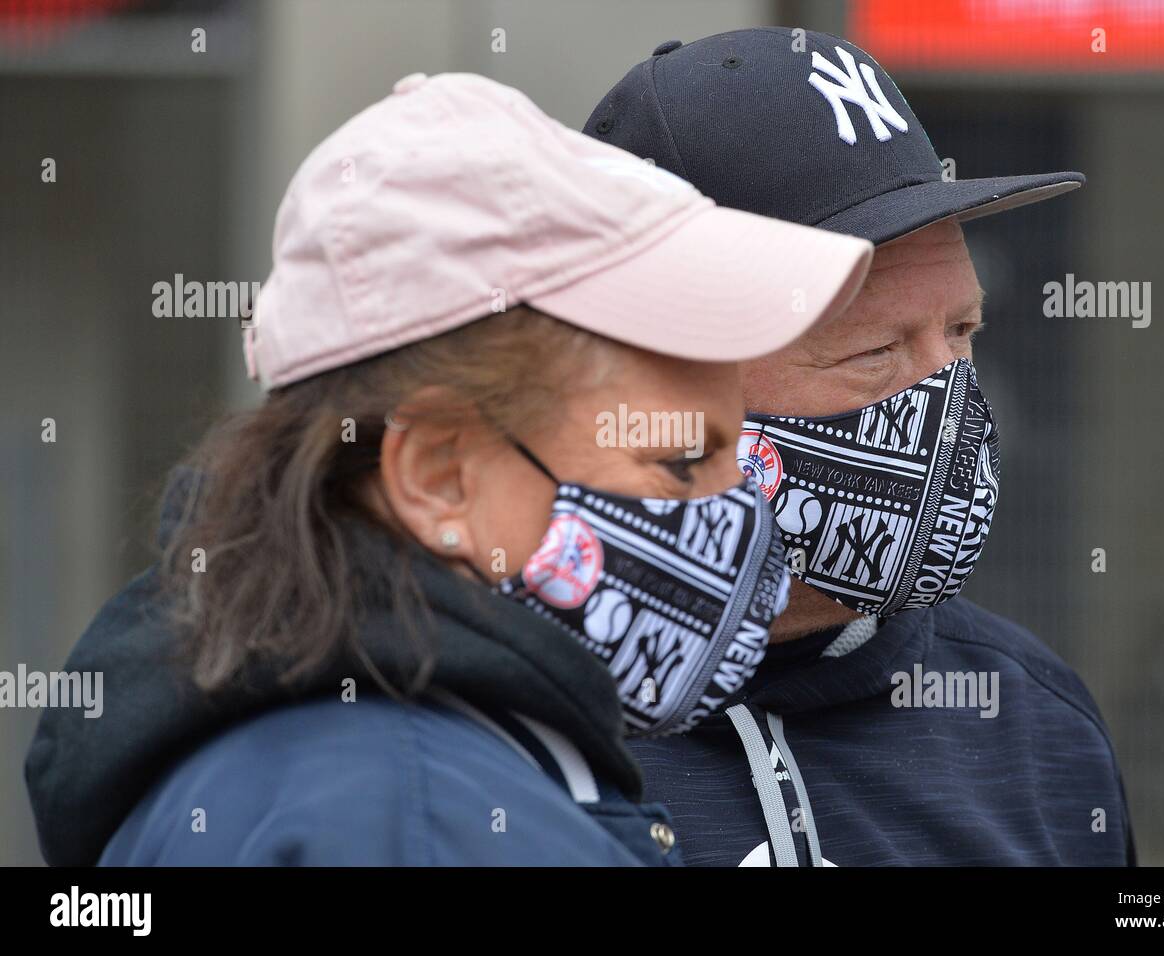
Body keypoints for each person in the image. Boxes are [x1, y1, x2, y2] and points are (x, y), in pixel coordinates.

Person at [24, 71, 873, 866]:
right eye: (680, 459)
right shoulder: (417, 823)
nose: (745, 510)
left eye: (735, 451)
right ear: (437, 475)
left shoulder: (343, 763)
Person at [585, 28, 1136, 866]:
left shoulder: (1031, 727)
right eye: (875, 351)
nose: (947, 399)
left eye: (963, 331)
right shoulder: (494, 740)